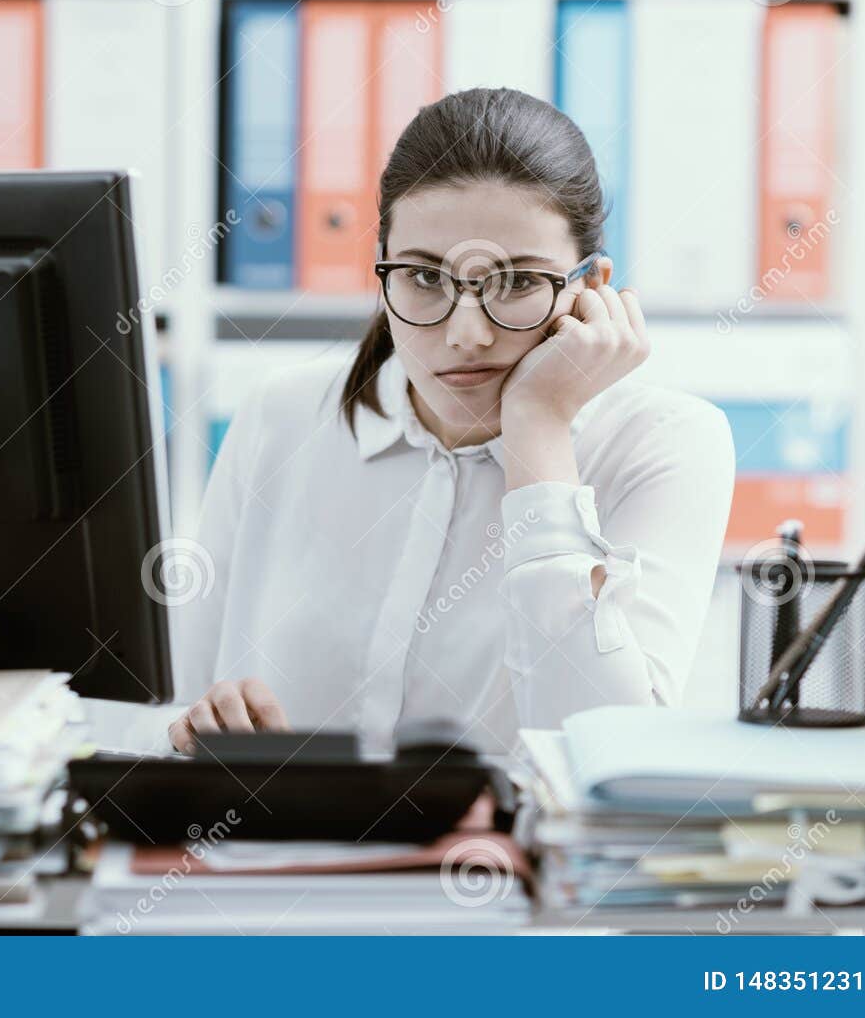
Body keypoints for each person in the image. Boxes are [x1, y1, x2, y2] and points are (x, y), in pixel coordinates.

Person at [168, 87, 735, 754]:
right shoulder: (280, 417)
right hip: (274, 827)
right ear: (382, 276)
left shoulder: (664, 443)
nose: (467, 334)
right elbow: (172, 710)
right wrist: (202, 737)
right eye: (424, 278)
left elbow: (608, 753)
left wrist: (538, 429)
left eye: (517, 283)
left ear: (591, 286)